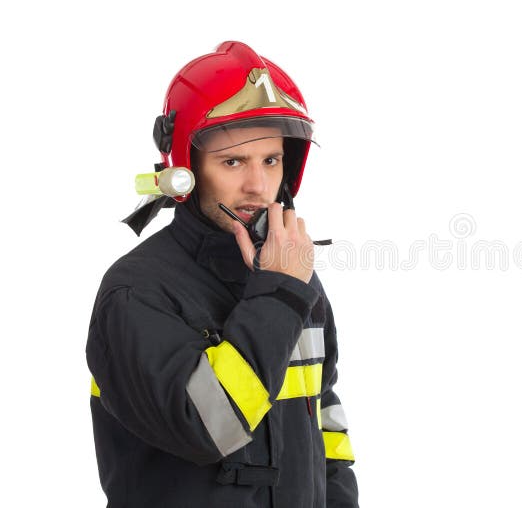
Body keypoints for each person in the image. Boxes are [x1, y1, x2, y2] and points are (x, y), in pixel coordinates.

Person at [86, 41, 358, 507]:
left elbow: (324, 426)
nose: (258, 185)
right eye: (233, 162)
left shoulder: (294, 279)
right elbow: (207, 428)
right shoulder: (137, 292)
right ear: (185, 169)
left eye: (271, 160)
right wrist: (280, 294)